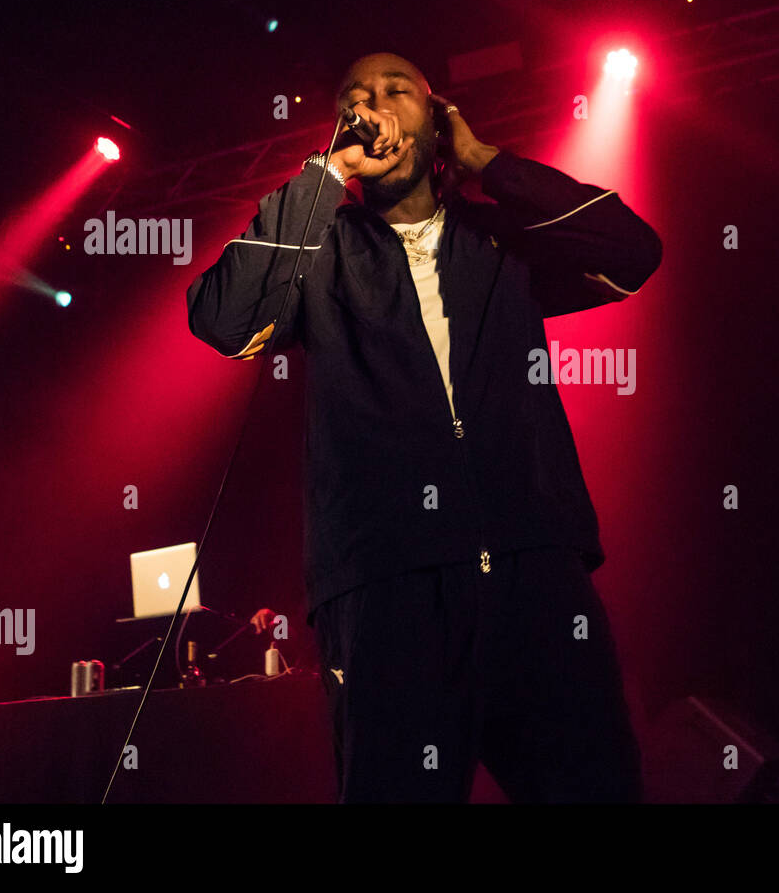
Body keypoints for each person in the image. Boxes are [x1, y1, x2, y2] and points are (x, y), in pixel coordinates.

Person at [185, 52, 661, 802]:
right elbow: (222, 319)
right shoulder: (324, 253)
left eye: (395, 92)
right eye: (355, 99)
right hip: (386, 592)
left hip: (532, 572)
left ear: (436, 124)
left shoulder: (499, 240)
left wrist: (487, 163)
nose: (372, 107)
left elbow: (634, 253)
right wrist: (319, 176)